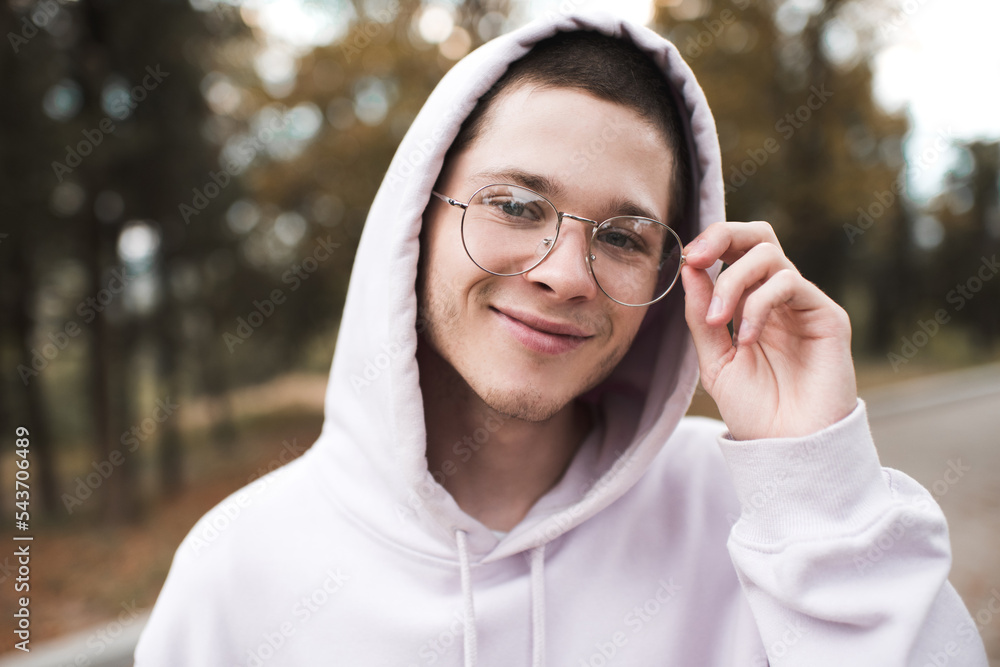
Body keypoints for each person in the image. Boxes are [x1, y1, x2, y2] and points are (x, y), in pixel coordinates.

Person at [134, 11, 989, 667]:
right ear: (415, 220)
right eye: (514, 206)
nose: (566, 272)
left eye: (623, 235)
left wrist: (817, 476)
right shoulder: (236, 571)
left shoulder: (756, 517)